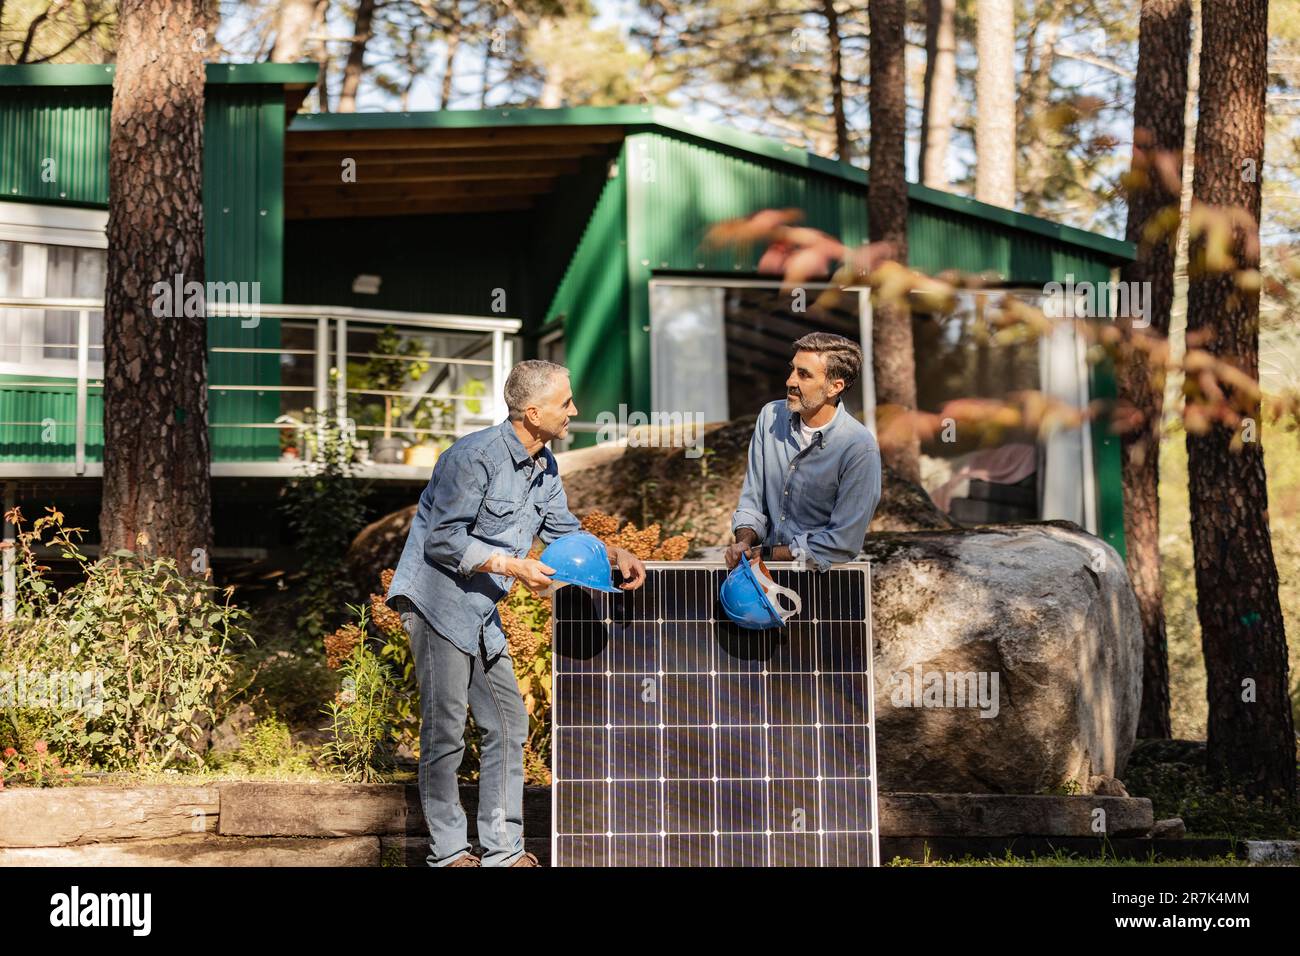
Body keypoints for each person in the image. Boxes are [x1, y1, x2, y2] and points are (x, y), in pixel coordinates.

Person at [386, 359, 646, 867]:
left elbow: (564, 530)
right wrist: (514, 565)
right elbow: (443, 541)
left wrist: (615, 553)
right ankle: (449, 853)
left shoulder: (544, 464)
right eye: (565, 403)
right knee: (444, 731)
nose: (574, 411)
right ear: (532, 411)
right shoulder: (473, 458)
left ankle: (502, 850)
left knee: (507, 724)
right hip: (437, 601)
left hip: (483, 607)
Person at [725, 332, 882, 571]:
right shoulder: (770, 417)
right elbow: (752, 500)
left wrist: (767, 553)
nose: (790, 381)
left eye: (804, 375)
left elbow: (841, 542)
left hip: (822, 584)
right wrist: (744, 542)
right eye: (793, 370)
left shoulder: (859, 448)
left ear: (835, 387)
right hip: (761, 576)